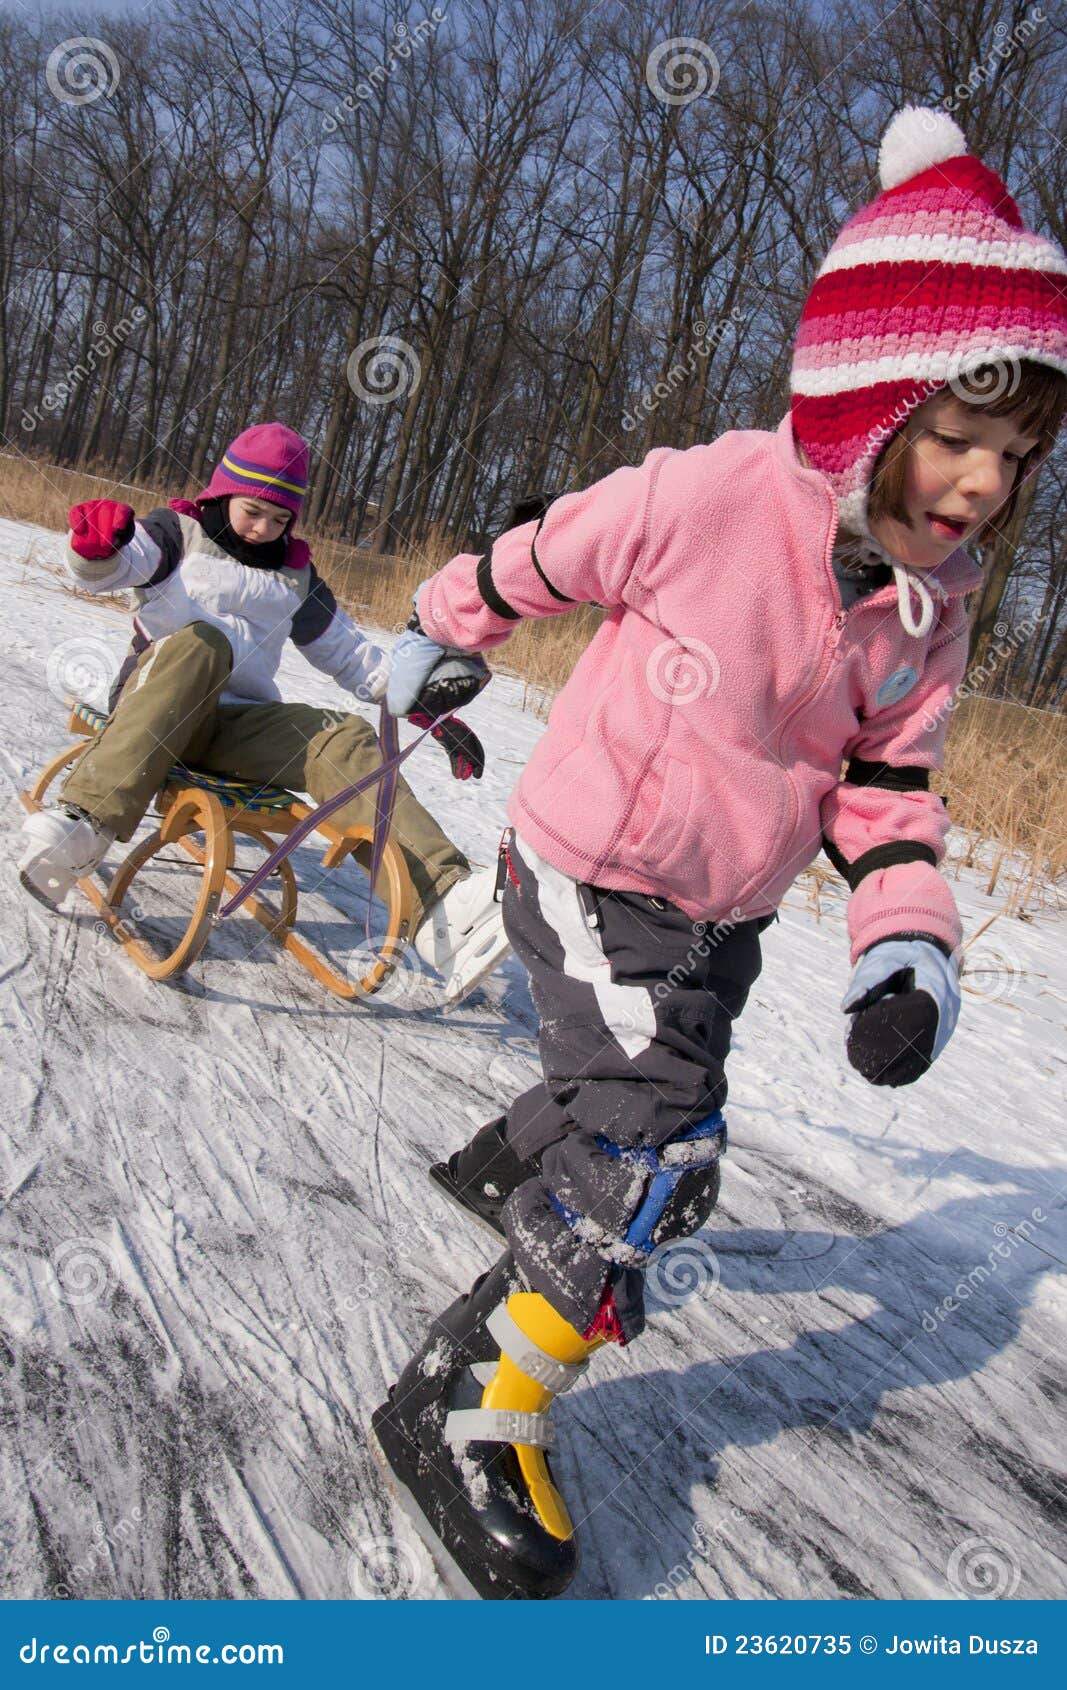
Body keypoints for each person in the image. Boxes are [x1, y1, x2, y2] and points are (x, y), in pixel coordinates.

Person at [371, 107, 1067, 1597]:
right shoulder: (712, 496)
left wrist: (905, 942)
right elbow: (551, 547)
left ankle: (517, 1158)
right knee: (648, 1158)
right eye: (950, 436)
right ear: (866, 403)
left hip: (716, 915)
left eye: (1012, 455)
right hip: (589, 863)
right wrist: (445, 629)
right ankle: (464, 1393)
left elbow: (885, 789)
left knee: (650, 1101)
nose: (978, 485)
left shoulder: (926, 615)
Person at [18, 422, 510, 1005]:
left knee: (341, 738)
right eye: (254, 512)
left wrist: (430, 712)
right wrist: (93, 549)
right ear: (224, 492)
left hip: (235, 729)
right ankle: (85, 823)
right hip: (156, 708)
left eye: (281, 520)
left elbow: (352, 655)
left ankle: (443, 908)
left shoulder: (294, 574)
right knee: (205, 642)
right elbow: (120, 564)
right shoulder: (177, 532)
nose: (264, 529)